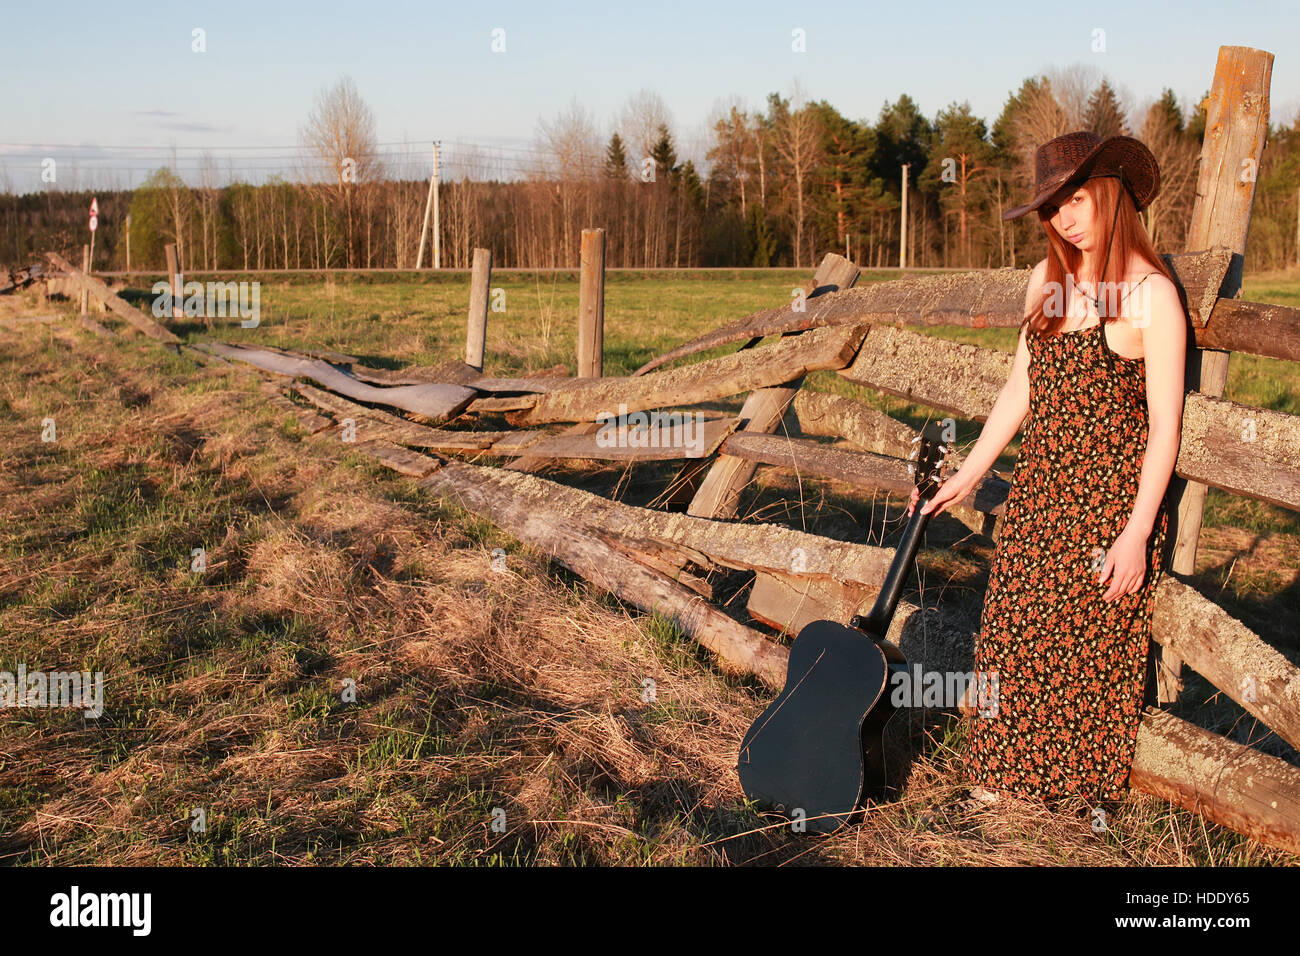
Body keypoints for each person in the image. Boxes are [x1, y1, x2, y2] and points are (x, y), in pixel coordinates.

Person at [907, 131, 1187, 812]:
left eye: (1074, 199)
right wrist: (968, 477)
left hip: (1108, 507)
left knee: (1084, 652)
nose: (1061, 217)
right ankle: (1000, 782)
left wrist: (1136, 531)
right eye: (1051, 207)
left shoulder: (1151, 297)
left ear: (1110, 195)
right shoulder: (1046, 282)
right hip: (1040, 493)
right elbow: (1018, 390)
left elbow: (1166, 429)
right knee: (1010, 633)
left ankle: (1071, 795)